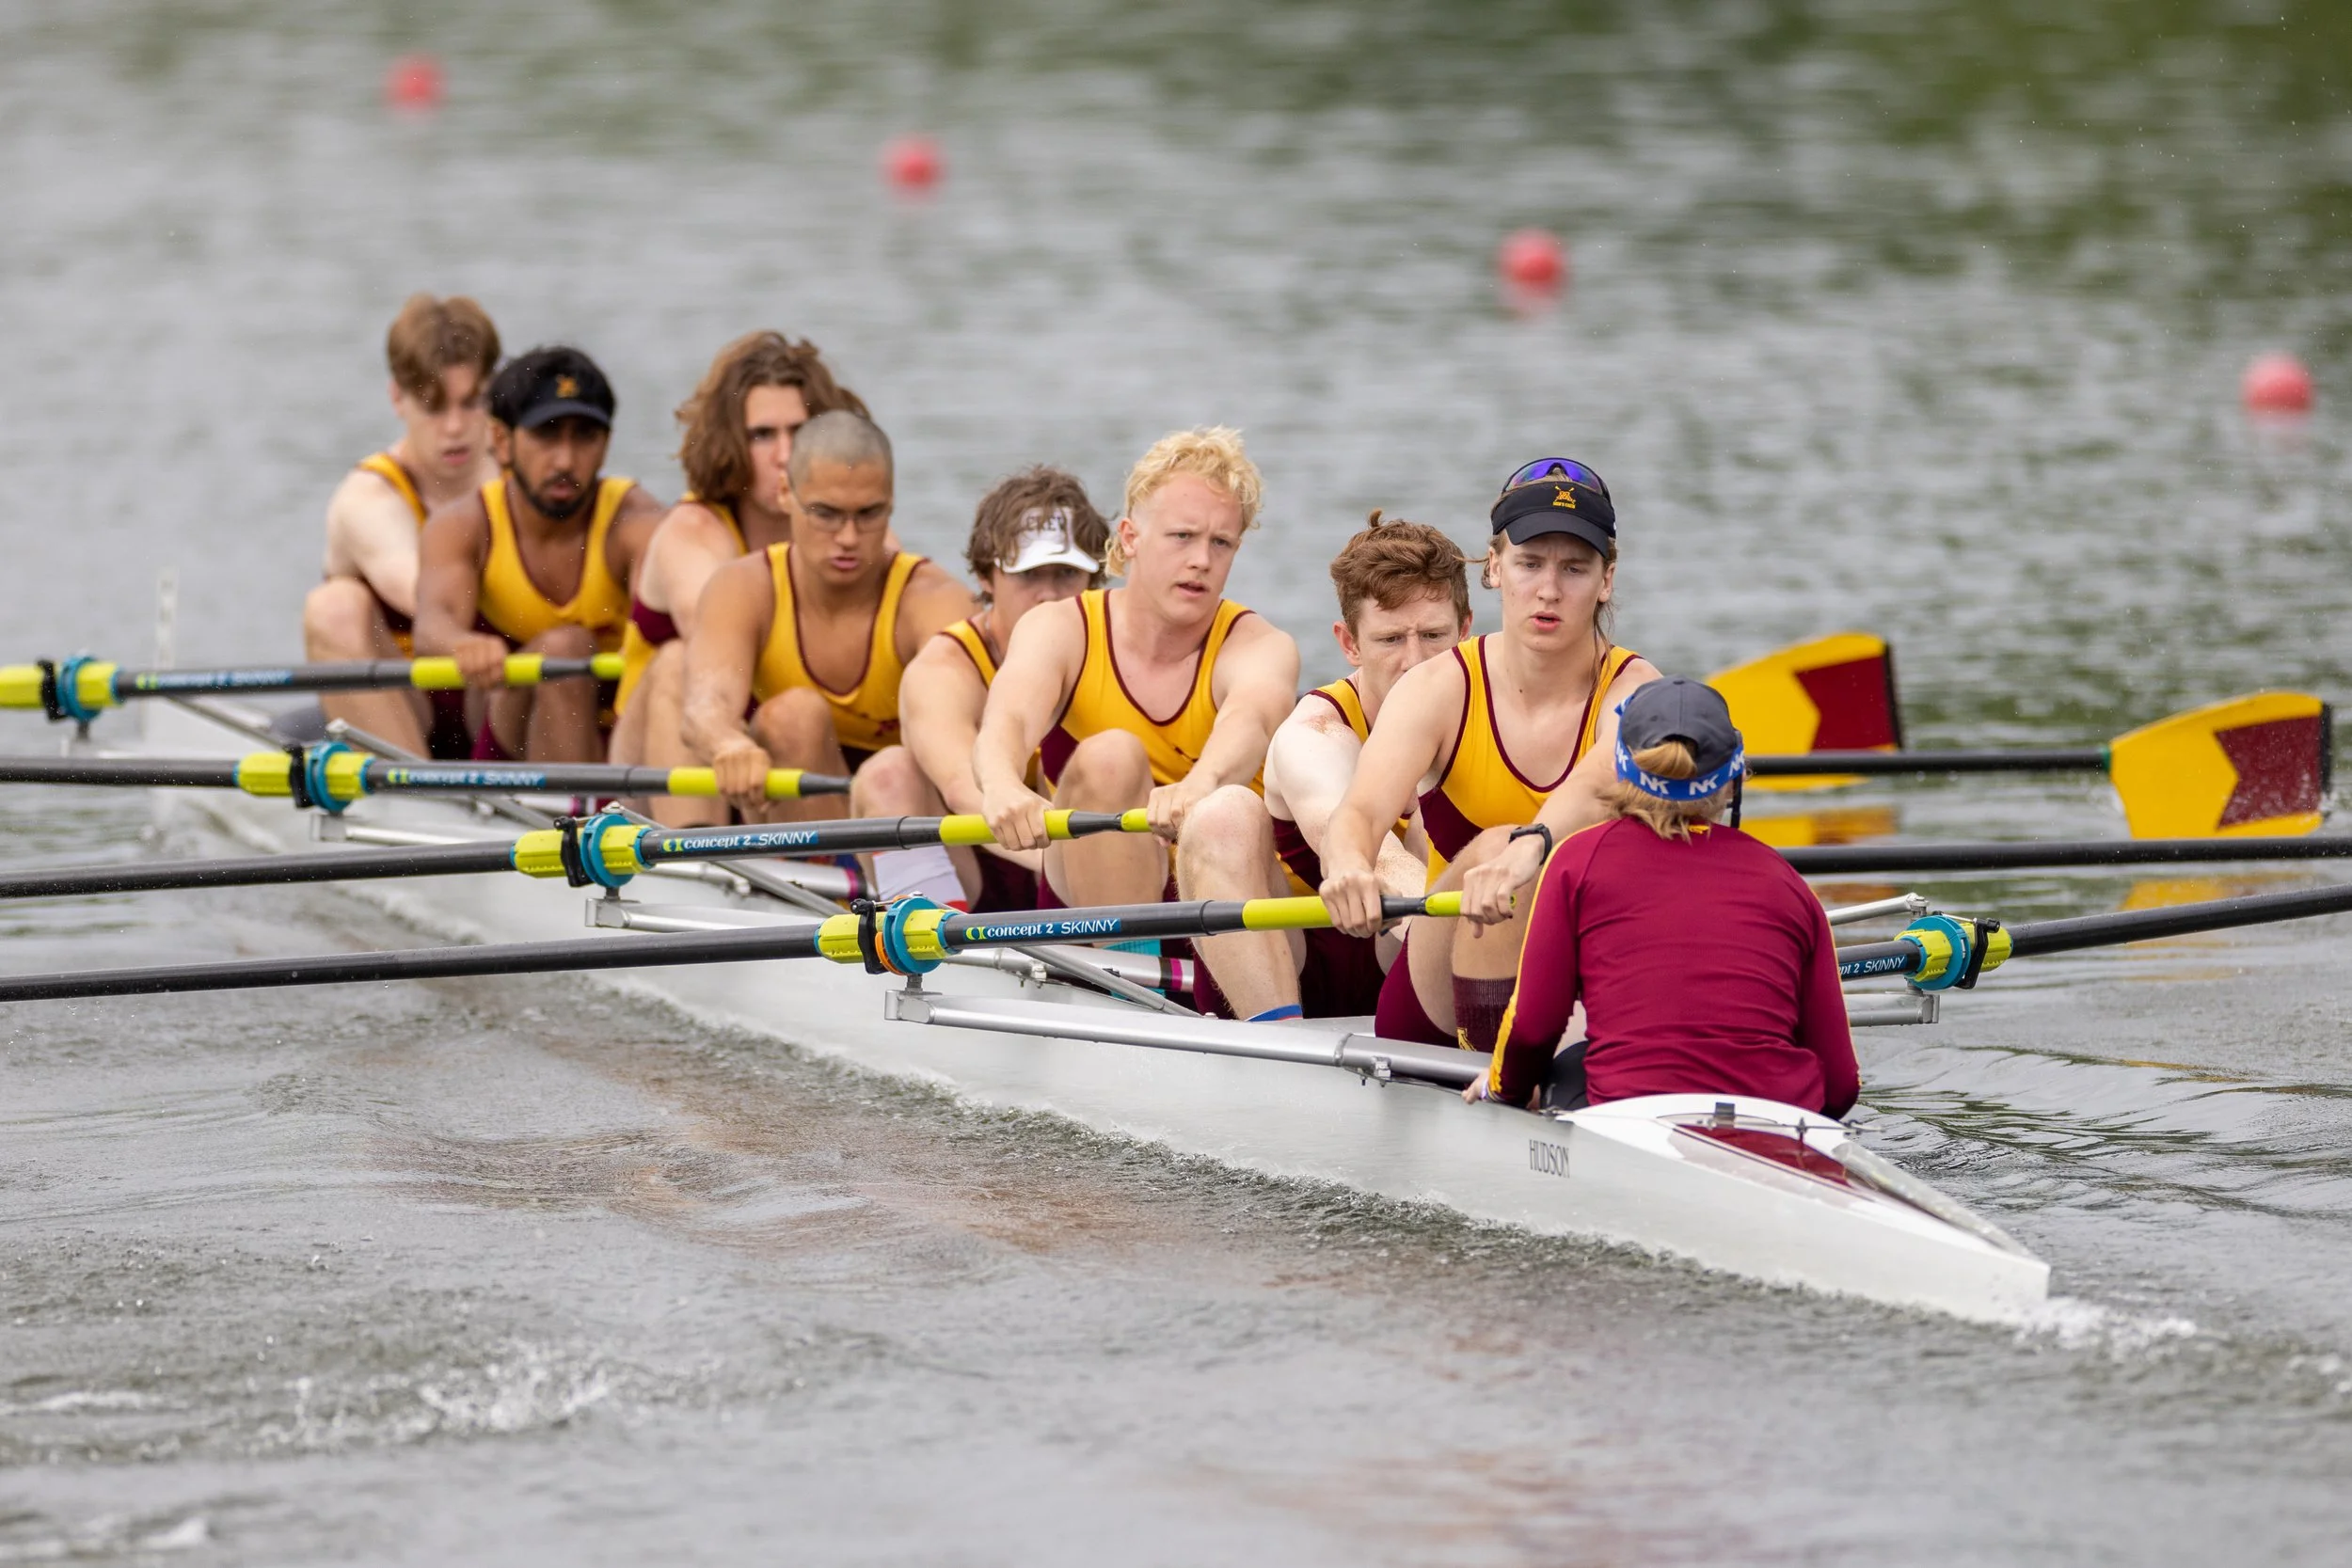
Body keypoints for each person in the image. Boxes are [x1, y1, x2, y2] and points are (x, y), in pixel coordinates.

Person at [1321, 457, 1657, 1052]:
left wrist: (1534, 845)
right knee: (1498, 846)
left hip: (1582, 968)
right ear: (1496, 567)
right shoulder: (1438, 688)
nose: (1549, 590)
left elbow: (1605, 769)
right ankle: (1502, 1074)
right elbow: (1360, 815)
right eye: (1529, 564)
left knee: (1525, 851)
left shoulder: (1634, 691)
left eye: (1575, 569)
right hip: (1437, 992)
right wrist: (1347, 863)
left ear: (1606, 580)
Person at [1469, 676, 1857, 1117]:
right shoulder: (1790, 885)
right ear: (1733, 780)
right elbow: (1841, 1085)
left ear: (1619, 767)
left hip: (1632, 1113)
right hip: (1782, 1122)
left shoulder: (1576, 861)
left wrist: (1502, 1093)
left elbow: (1534, 1030)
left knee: (1572, 1064)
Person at [975, 428, 1298, 919]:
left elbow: (1249, 720)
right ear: (1130, 538)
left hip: (1216, 900)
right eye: (1183, 536)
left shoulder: (1261, 647)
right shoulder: (1060, 628)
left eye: (1221, 543)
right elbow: (1009, 721)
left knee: (1218, 811)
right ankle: (1128, 965)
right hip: (1092, 894)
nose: (1201, 561)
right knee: (1112, 756)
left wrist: (1200, 784)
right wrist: (1000, 784)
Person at [1178, 514, 1470, 1021]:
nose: (1414, 662)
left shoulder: (1494, 719)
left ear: (1465, 632)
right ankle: (1277, 1042)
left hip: (1403, 973)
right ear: (1349, 643)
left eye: (1433, 636)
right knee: (1222, 814)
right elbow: (1366, 851)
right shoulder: (1312, 733)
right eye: (1390, 640)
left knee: (1435, 817)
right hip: (1287, 967)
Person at [609, 332, 870, 822]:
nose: (785, 454)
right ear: (731, 442)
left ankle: (826, 874)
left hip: (770, 763)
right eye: (763, 435)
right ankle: (691, 854)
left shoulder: (856, 532)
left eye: (800, 431)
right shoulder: (693, 533)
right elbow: (723, 657)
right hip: (655, 774)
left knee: (800, 714)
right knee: (678, 660)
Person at [680, 411, 973, 823]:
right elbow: (705, 708)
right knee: (791, 719)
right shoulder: (743, 588)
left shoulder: (933, 601)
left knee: (895, 769)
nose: (849, 538)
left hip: (914, 815)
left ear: (891, 503)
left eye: (869, 514)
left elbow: (958, 728)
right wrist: (729, 745)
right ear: (785, 492)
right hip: (806, 820)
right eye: (826, 513)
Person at [411, 346, 664, 763]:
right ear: (501, 441)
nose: (565, 459)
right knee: (566, 648)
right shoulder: (463, 526)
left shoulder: (637, 523)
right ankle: (576, 816)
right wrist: (463, 644)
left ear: (607, 444)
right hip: (510, 741)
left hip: (622, 740)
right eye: (546, 434)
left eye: (585, 436)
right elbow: (431, 626)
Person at [885, 468, 1105, 910]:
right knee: (888, 774)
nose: (1048, 595)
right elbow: (966, 793)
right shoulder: (944, 668)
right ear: (986, 576)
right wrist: (1077, 862)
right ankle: (927, 942)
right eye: (1029, 575)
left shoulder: (1121, 651)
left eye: (1065, 573)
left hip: (1085, 874)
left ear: (1094, 578)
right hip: (983, 873)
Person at [302, 294, 501, 757]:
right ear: (397, 397)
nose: (455, 427)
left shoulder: (523, 481)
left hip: (495, 700)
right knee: (333, 607)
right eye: (434, 407)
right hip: (407, 710)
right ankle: (411, 799)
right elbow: (430, 598)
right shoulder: (368, 499)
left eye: (471, 403)